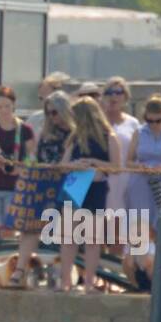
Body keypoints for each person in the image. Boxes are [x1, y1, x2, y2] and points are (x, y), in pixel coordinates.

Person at [6, 90, 73, 287]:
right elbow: (34, 154)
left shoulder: (74, 134)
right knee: (30, 228)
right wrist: (28, 164)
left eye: (55, 112)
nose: (52, 117)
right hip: (42, 181)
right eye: (49, 113)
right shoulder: (45, 132)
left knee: (65, 229)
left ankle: (62, 274)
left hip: (66, 182)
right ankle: (20, 269)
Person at [59, 97, 119, 293]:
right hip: (75, 185)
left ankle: (89, 282)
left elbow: (117, 167)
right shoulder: (74, 137)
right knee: (69, 237)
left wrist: (94, 162)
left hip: (96, 187)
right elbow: (62, 166)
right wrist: (75, 165)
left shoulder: (109, 136)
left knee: (92, 239)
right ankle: (65, 281)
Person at [125, 95, 161, 263]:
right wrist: (141, 167)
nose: (154, 125)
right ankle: (140, 264)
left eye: (158, 121)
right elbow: (128, 161)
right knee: (140, 223)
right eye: (150, 121)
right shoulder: (139, 132)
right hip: (141, 182)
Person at [0, 86, 35, 237]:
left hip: (16, 186)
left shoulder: (26, 130)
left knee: (9, 228)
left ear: (14, 105)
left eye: (7, 106)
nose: (4, 110)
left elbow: (32, 156)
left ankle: (7, 259)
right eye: (0, 107)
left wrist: (21, 168)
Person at [25, 71, 68, 136]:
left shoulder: (73, 124)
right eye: (41, 98)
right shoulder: (34, 120)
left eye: (48, 97)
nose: (44, 103)